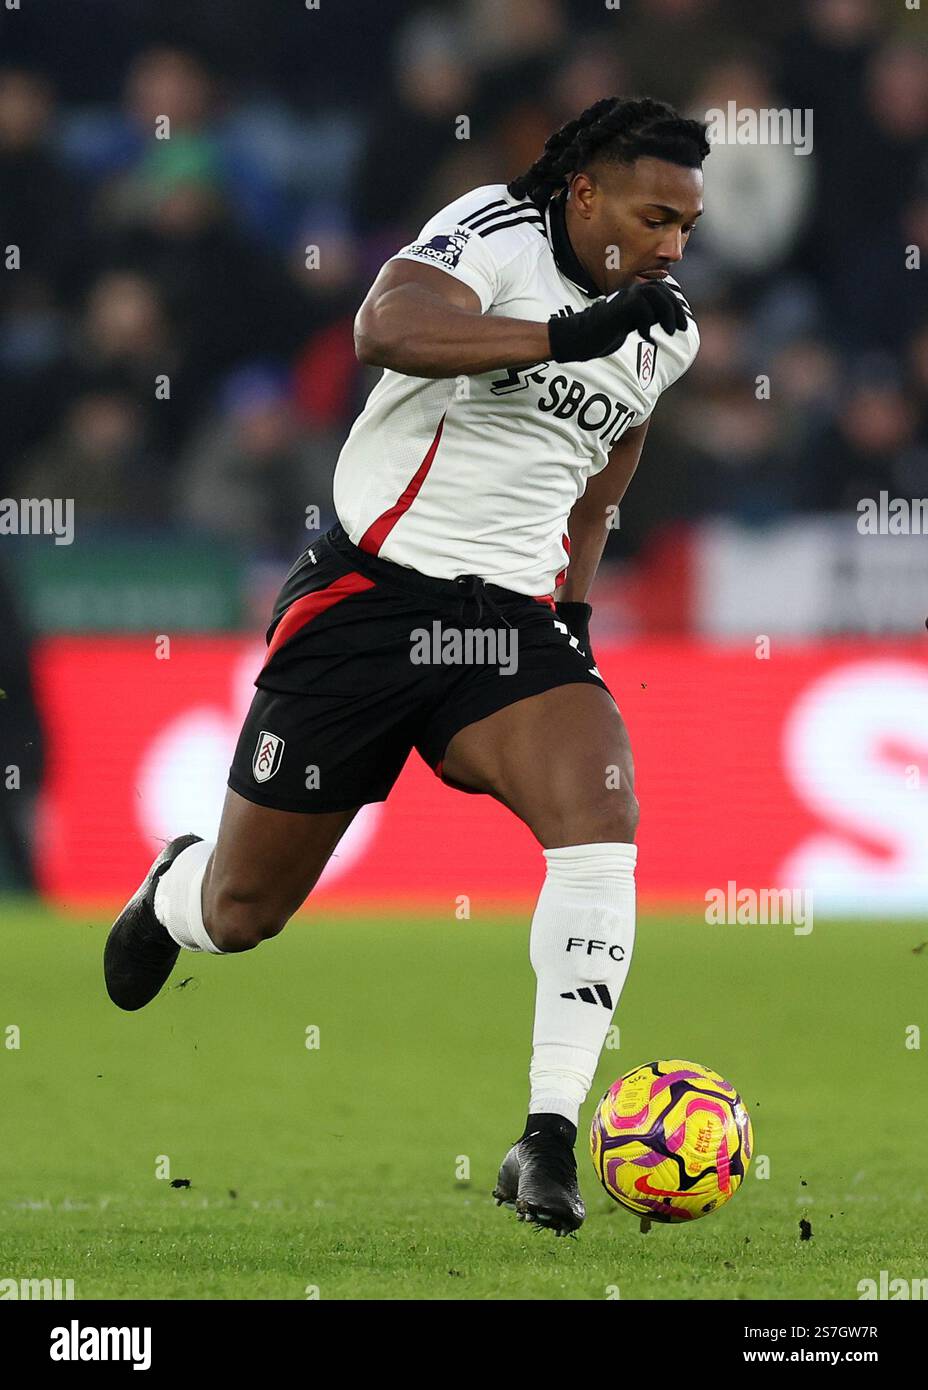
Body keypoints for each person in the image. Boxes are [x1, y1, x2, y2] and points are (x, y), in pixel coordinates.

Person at [105, 96, 707, 1236]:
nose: (674, 245)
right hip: (369, 603)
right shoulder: (492, 232)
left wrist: (571, 612)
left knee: (602, 822)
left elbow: (605, 480)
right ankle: (169, 889)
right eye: (654, 214)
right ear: (585, 194)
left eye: (688, 224)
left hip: (507, 629)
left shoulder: (665, 332)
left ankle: (546, 1138)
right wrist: (559, 337)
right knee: (243, 911)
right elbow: (384, 330)